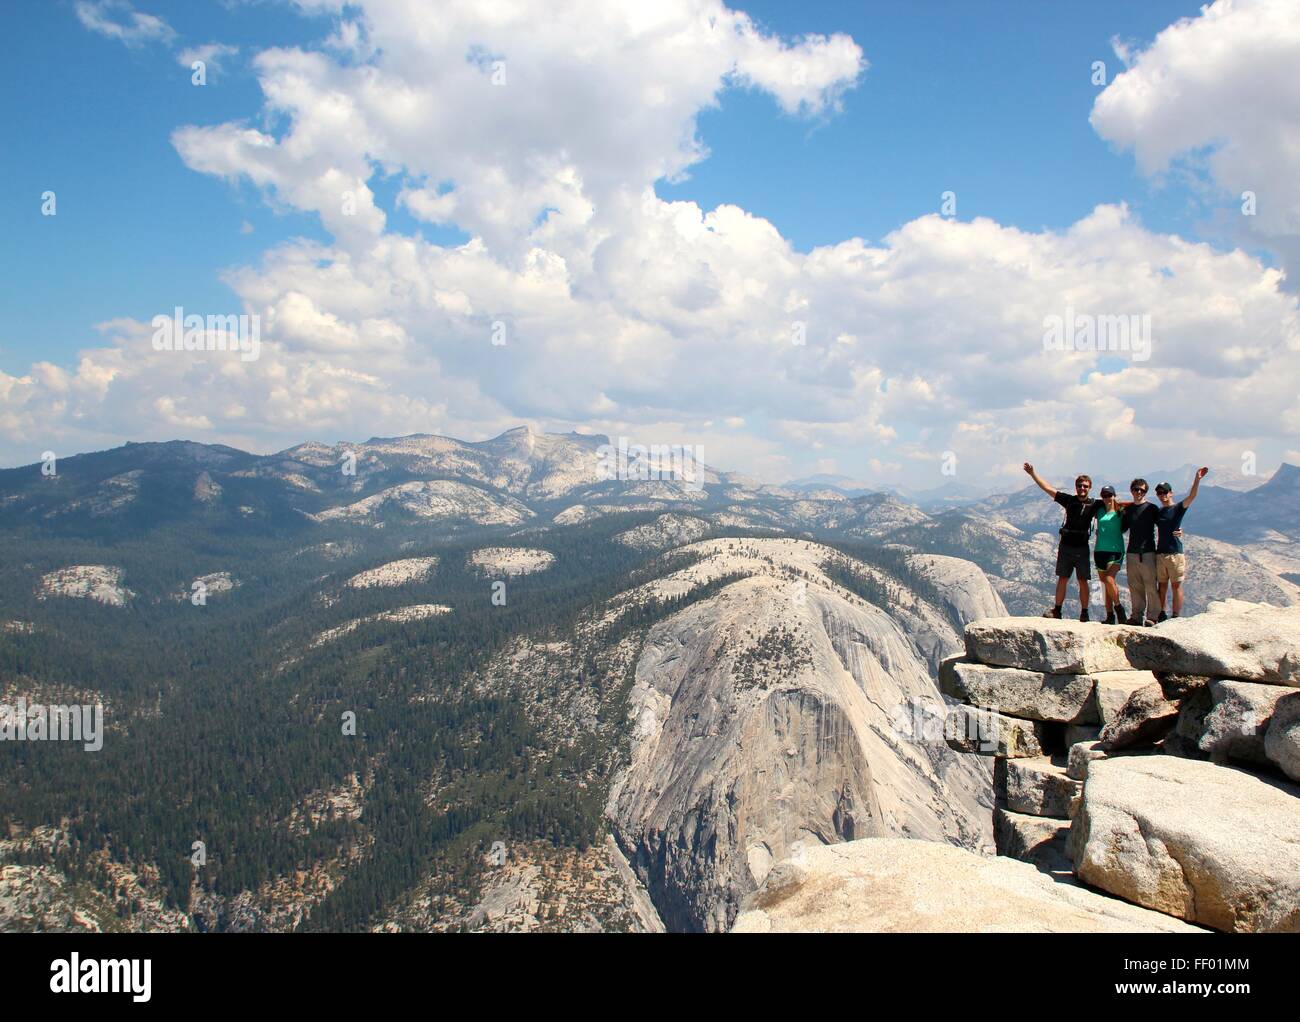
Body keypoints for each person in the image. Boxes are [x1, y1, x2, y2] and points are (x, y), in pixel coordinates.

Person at [1023, 462, 1103, 621]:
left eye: (1085, 486)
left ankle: (1084, 613)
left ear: (1090, 488)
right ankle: (1057, 610)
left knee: (1082, 580)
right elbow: (1048, 489)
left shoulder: (1095, 504)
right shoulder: (1069, 501)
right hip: (1066, 546)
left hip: (1082, 547)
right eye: (1080, 485)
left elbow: (1114, 503)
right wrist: (1033, 474)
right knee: (1063, 578)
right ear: (1076, 487)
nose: (1082, 488)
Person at [1154, 466, 1208, 621]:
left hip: (1175, 553)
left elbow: (1192, 496)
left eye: (1165, 492)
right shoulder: (1159, 512)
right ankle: (1161, 613)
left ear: (1171, 493)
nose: (1162, 495)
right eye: (1159, 493)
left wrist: (1197, 479)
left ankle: (1176, 615)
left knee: (1176, 585)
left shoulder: (1178, 508)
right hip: (1161, 553)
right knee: (1162, 586)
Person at [1121, 478, 1160, 626]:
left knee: (1150, 585)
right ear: (1131, 490)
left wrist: (1177, 531)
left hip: (1148, 552)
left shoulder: (1152, 509)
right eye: (1136, 489)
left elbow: (1163, 524)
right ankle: (1136, 616)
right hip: (1132, 552)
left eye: (1142, 490)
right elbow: (1123, 528)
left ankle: (1152, 616)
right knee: (1135, 586)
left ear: (1146, 492)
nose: (1139, 492)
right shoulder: (1128, 510)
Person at [1093, 485, 1128, 625]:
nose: (1107, 498)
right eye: (1104, 495)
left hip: (1115, 550)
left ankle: (1119, 608)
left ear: (1114, 495)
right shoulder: (1099, 511)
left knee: (1109, 579)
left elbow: (1134, 506)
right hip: (1100, 550)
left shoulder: (1121, 511)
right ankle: (1109, 615)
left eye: (1109, 495)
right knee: (1104, 584)